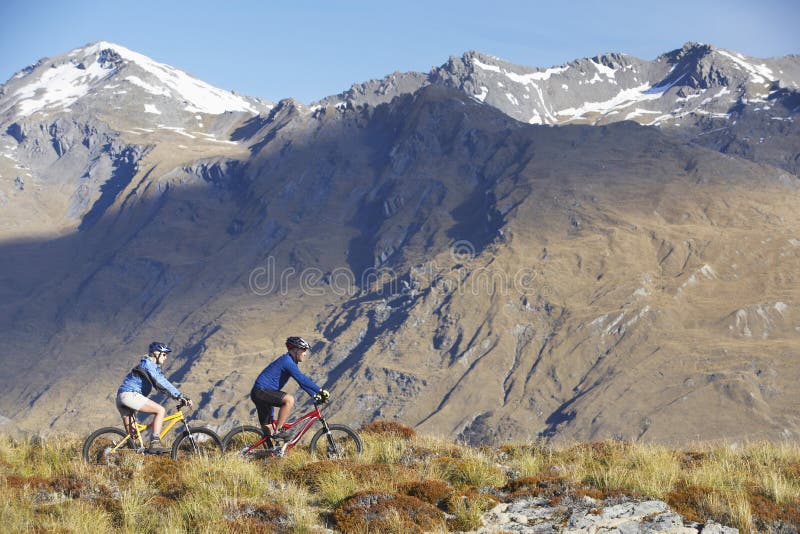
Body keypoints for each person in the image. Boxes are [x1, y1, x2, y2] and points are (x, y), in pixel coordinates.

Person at [116, 342, 193, 453]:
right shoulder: (148, 364)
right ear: (157, 354)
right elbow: (161, 383)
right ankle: (155, 442)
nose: (166, 358)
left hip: (121, 398)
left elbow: (162, 384)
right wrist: (180, 397)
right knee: (160, 410)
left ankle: (114, 455)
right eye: (164, 355)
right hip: (130, 395)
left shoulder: (150, 366)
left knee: (133, 440)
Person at [251, 336, 329, 441]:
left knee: (268, 428)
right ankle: (279, 431)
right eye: (303, 350)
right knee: (289, 400)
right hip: (262, 391)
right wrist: (320, 390)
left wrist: (314, 395)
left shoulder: (289, 361)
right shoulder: (287, 361)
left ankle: (270, 453)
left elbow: (302, 384)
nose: (305, 353)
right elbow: (301, 379)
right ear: (296, 350)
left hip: (260, 393)